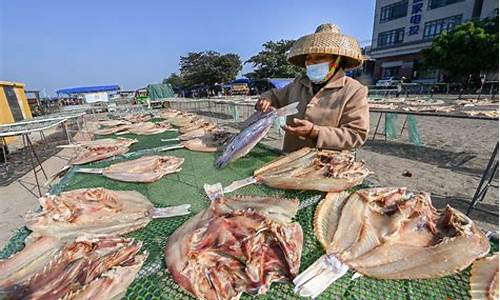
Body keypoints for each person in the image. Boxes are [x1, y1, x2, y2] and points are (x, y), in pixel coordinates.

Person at [256, 23, 369, 153]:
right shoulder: (299, 83)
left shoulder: (354, 91)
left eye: (320, 57)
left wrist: (314, 132)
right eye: (309, 58)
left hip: (325, 165)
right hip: (290, 158)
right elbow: (275, 95)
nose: (311, 62)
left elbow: (356, 135)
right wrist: (266, 98)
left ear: (338, 60)